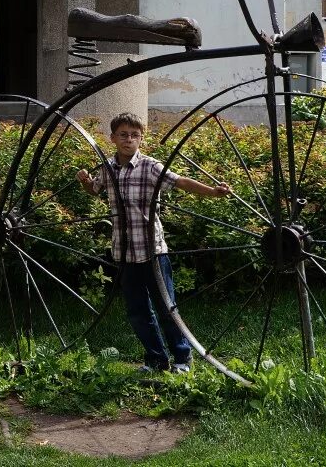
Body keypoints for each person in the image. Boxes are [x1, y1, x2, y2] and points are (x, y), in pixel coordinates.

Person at [77, 112, 231, 374]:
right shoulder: (107, 168)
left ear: (141, 139)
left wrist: (212, 191)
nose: (128, 140)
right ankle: (156, 359)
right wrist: (85, 182)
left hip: (153, 251)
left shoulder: (150, 167)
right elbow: (95, 190)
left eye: (134, 135)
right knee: (138, 311)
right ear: (113, 138)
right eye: (123, 135)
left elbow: (179, 181)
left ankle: (182, 358)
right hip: (124, 251)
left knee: (166, 307)